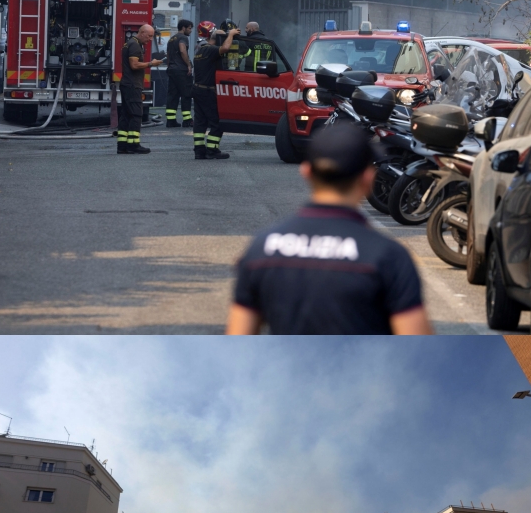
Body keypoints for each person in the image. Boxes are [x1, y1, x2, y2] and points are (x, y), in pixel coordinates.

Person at [227, 122, 433, 334]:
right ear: (368, 178)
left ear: (306, 172)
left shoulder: (262, 249)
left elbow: (238, 341)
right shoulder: (388, 257)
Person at [191, 22, 238, 160]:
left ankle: (199, 151)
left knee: (200, 122)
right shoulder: (210, 49)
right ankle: (212, 149)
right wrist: (231, 35)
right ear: (214, 37)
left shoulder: (200, 50)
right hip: (207, 91)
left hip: (198, 89)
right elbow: (225, 48)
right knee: (217, 122)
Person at [115, 22, 156, 153]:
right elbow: (134, 65)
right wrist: (151, 63)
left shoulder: (130, 43)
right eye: (149, 36)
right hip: (132, 85)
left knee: (126, 115)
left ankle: (122, 146)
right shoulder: (134, 45)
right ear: (142, 32)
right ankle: (133, 145)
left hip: (127, 84)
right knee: (136, 114)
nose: (150, 39)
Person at [163, 19, 195, 129]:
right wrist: (189, 65)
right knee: (186, 94)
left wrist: (170, 67)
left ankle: (170, 121)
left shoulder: (171, 39)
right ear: (183, 28)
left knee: (173, 96)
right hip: (181, 71)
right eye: (189, 28)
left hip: (172, 70)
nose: (190, 31)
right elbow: (182, 50)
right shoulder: (183, 38)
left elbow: (168, 55)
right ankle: (187, 120)